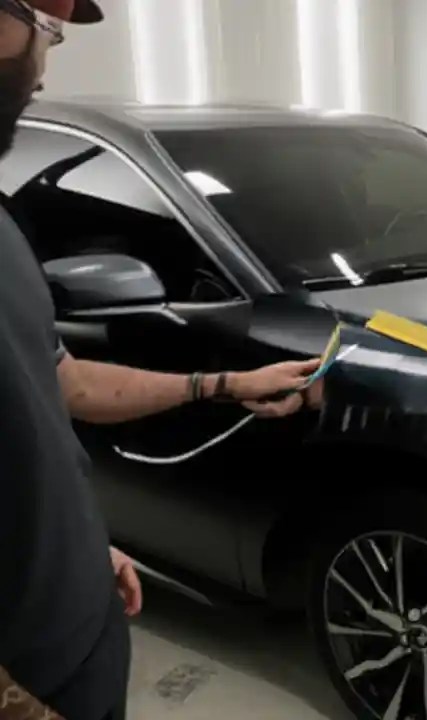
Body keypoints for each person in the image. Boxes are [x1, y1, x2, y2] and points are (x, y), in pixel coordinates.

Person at [0, 2, 322, 718]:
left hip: (78, 631)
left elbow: (64, 384)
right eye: (42, 29)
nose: (43, 68)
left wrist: (226, 383)